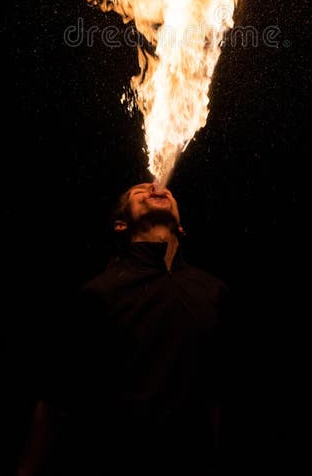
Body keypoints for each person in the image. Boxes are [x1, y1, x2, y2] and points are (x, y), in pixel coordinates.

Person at [16, 180, 232, 476]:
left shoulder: (214, 291)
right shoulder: (99, 293)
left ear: (181, 227)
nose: (156, 187)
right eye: (139, 191)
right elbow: (56, 399)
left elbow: (218, 394)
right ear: (121, 225)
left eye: (162, 190)